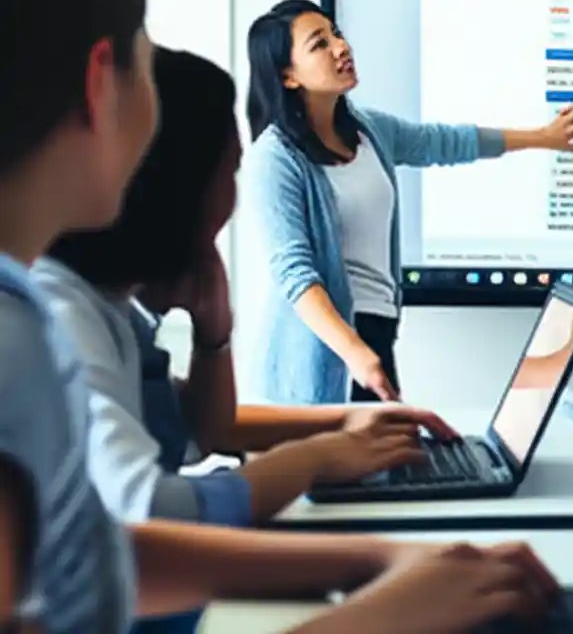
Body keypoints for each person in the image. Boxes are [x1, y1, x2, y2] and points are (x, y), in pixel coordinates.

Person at [0, 0, 556, 632]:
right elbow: (136, 515)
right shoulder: (25, 342)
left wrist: (369, 565)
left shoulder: (40, 315)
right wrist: (381, 615)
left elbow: (93, 556)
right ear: (99, 83)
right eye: (149, 53)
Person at [37, 47, 461, 537]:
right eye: (234, 170)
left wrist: (357, 418)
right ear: (177, 185)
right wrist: (317, 458)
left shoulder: (115, 314)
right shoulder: (67, 317)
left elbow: (205, 426)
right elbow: (149, 510)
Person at [243, 0, 573, 406]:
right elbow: (295, 274)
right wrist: (354, 352)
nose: (341, 48)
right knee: (346, 466)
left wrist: (542, 137)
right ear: (288, 76)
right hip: (321, 350)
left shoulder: (367, 131)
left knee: (388, 461)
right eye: (319, 44)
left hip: (375, 331)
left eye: (337, 35)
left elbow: (447, 142)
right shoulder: (275, 158)